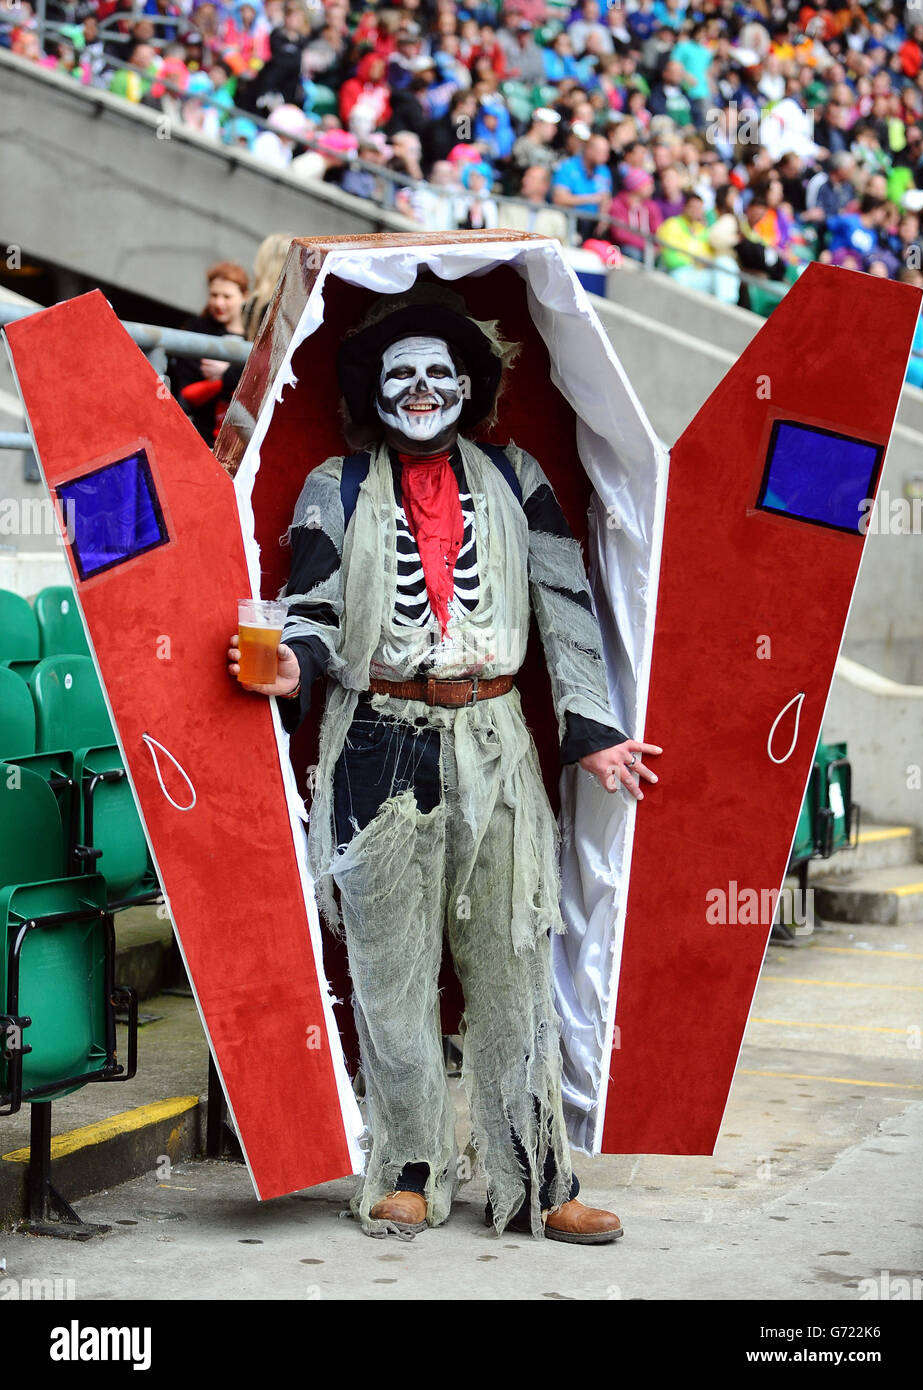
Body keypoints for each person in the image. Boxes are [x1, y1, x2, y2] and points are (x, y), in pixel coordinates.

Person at [226, 283, 661, 1242]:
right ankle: (408, 1166)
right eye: (400, 375)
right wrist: (295, 662)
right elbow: (310, 606)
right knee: (390, 973)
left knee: (511, 963)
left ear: (468, 386)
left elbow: (567, 607)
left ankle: (542, 1180)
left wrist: (590, 729)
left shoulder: (518, 475)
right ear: (373, 393)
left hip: (495, 737)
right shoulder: (333, 488)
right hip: (375, 737)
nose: (419, 388)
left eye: (438, 373)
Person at [168, 261, 248, 444]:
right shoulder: (196, 329)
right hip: (200, 432)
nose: (219, 303)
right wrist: (232, 376)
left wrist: (225, 375)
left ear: (245, 296)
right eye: (214, 295)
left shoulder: (254, 333)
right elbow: (188, 393)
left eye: (227, 296)